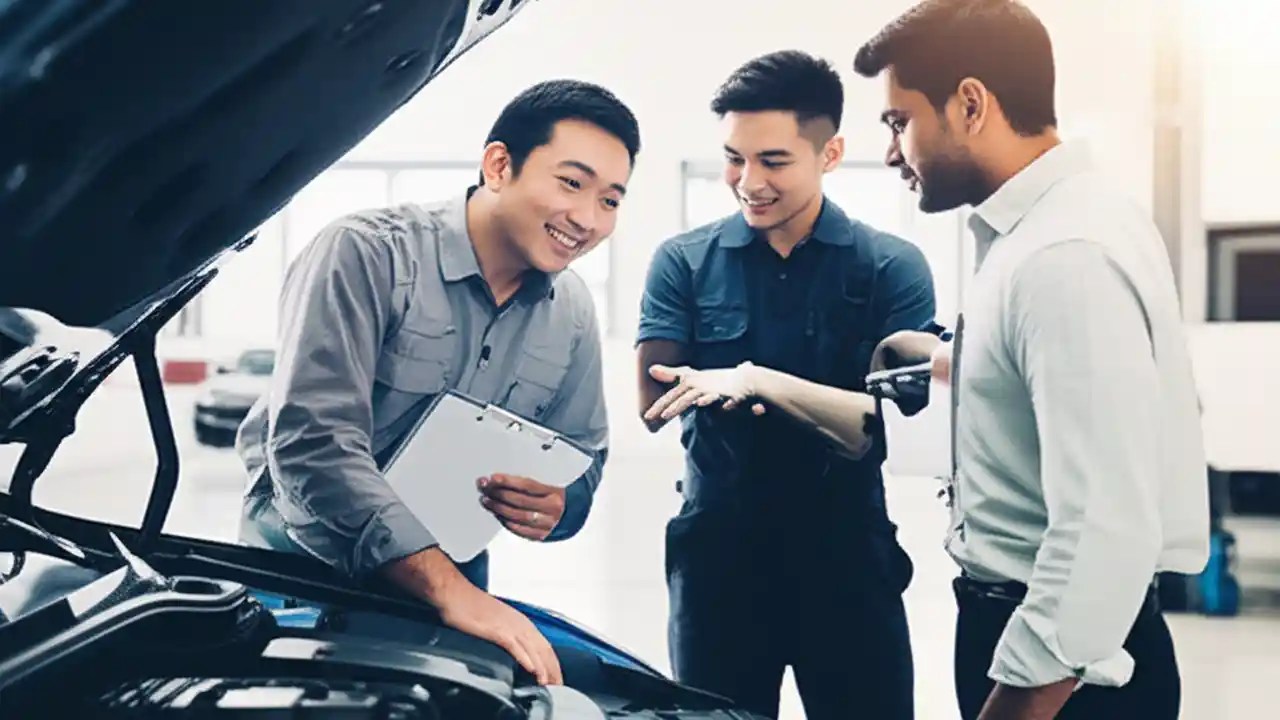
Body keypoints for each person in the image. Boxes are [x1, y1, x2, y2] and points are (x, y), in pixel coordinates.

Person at [851, 1, 1210, 718]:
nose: (894, 152)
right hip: (1036, 635)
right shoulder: (1049, 230)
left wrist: (1018, 703)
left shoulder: (1063, 258)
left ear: (971, 104)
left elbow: (1102, 524)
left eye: (899, 122)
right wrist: (953, 361)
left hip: (1064, 668)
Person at [235, 79, 641, 688]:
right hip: (302, 574)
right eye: (571, 183)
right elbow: (312, 445)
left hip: (454, 580)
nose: (587, 218)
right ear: (499, 165)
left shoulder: (573, 308)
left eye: (611, 200)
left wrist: (559, 504)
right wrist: (449, 590)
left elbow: (584, 458)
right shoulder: (364, 254)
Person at [636, 50, 937, 720]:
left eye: (773, 161)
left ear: (829, 154)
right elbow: (654, 402)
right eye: (734, 159)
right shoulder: (682, 262)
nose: (747, 182)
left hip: (849, 561)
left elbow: (894, 429)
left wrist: (756, 384)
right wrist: (826, 404)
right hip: (719, 564)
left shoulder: (891, 266)